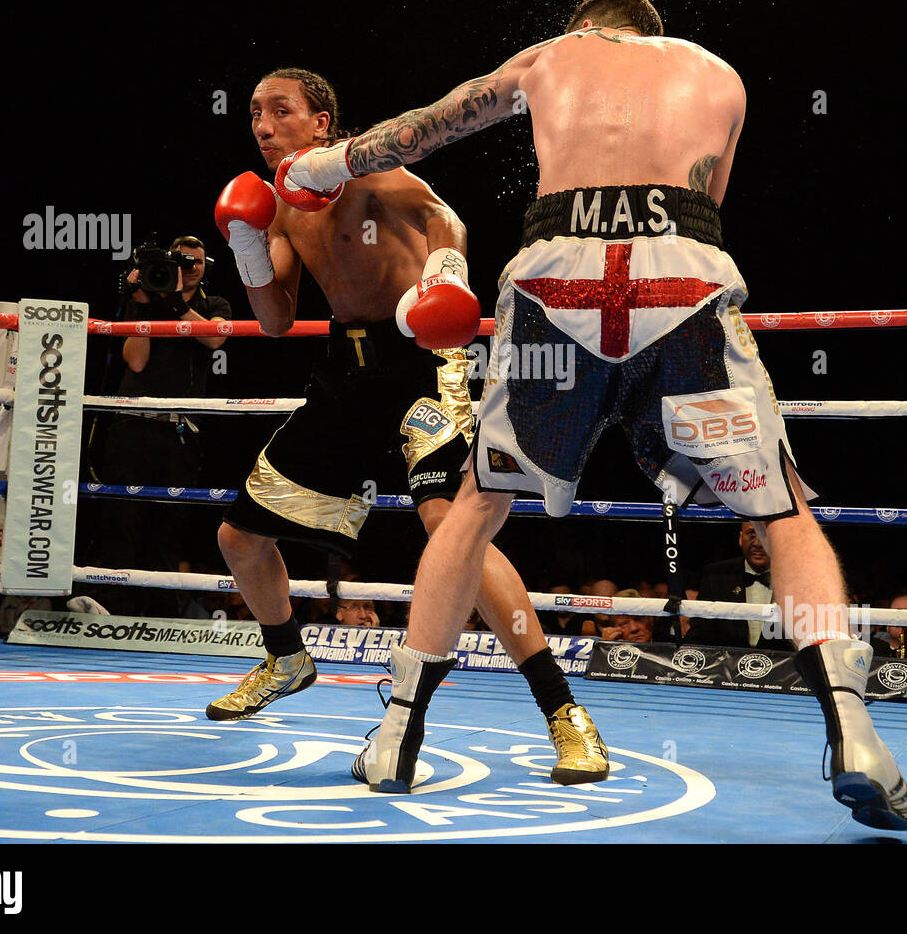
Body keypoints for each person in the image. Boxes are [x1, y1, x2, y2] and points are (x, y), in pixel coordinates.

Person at [279, 0, 907, 828]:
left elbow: (429, 125)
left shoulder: (552, 57)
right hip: (680, 278)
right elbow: (708, 210)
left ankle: (397, 735)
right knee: (781, 511)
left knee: (475, 508)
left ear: (588, 25)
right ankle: (853, 728)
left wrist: (321, 168)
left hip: (558, 279)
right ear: (653, 33)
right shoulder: (720, 77)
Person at [206, 68, 609, 786]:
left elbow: (446, 221)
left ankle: (564, 713)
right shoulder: (279, 208)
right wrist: (244, 240)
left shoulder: (367, 168)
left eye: (281, 110)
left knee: (449, 526)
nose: (263, 126)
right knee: (239, 536)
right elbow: (272, 320)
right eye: (254, 114)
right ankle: (287, 657)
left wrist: (445, 277)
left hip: (423, 360)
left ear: (322, 122)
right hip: (346, 373)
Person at [92, 237, 231, 591]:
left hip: (179, 433)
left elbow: (215, 340)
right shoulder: (146, 301)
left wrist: (175, 303)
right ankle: (113, 613)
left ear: (206, 266)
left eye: (198, 261)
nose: (191, 267)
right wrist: (149, 302)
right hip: (132, 426)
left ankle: (160, 617)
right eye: (183, 261)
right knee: (121, 522)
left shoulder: (215, 304)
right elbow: (135, 361)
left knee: (169, 527)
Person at [686, 520, 788, 649]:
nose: (757, 543)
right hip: (725, 666)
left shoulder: (795, 578)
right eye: (751, 534)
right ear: (741, 538)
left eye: (765, 535)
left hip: (783, 667)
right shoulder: (717, 575)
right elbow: (699, 633)